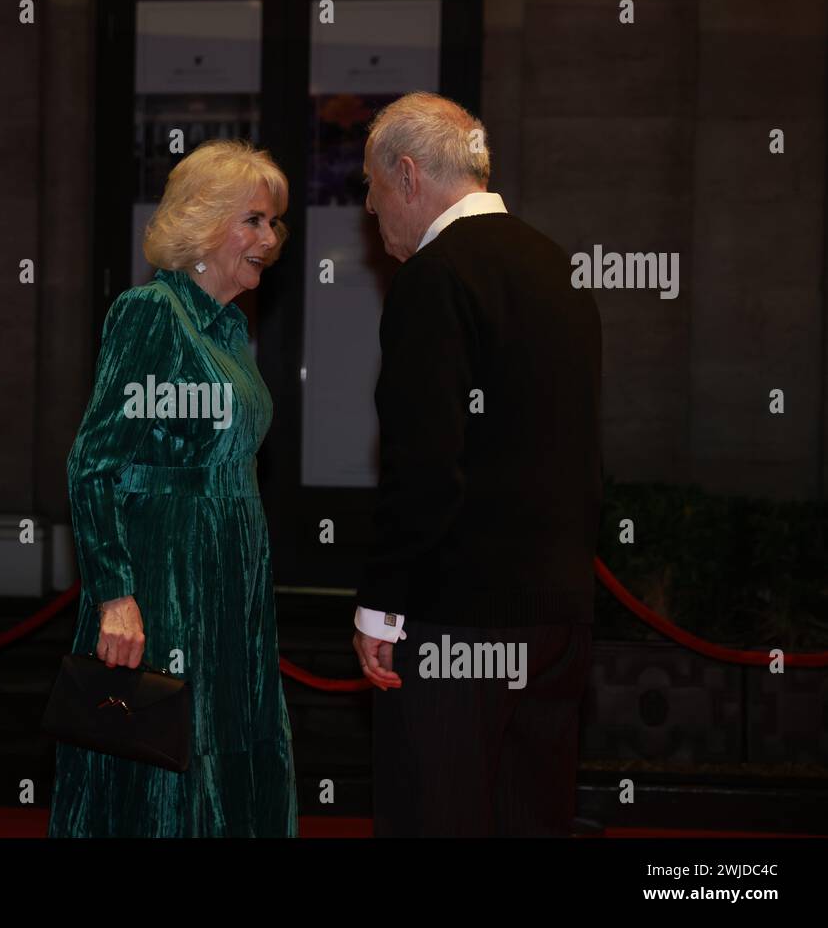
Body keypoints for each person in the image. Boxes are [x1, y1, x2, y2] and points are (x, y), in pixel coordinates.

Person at [351, 92, 602, 836]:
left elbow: (426, 464)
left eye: (369, 185)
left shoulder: (434, 278)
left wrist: (381, 604)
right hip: (558, 620)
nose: (369, 207)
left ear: (406, 175)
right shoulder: (558, 267)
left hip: (456, 621)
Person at [49, 139, 297, 837]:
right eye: (252, 220)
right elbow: (93, 461)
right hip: (166, 581)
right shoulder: (151, 313)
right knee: (163, 758)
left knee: (230, 750)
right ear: (202, 221)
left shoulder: (223, 325)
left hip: (231, 583)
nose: (268, 239)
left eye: (272, 223)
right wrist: (114, 593)